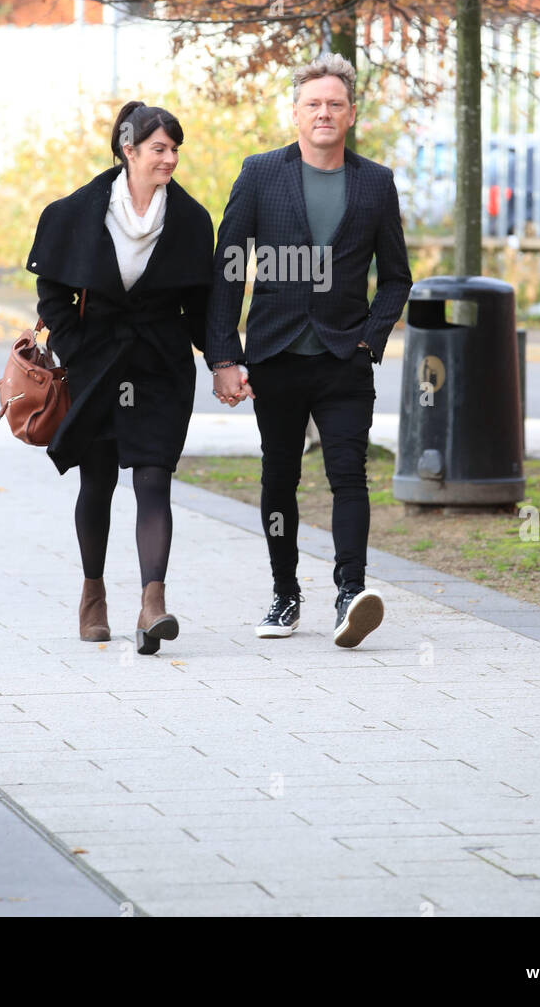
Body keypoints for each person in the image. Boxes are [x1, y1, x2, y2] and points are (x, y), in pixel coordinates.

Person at [205, 54, 413, 648]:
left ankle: (351, 593)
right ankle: (284, 595)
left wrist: (371, 339)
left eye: (335, 104)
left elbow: (396, 276)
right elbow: (227, 273)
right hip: (274, 357)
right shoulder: (260, 173)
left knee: (349, 474)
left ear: (351, 114)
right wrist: (224, 358)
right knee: (280, 477)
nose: (325, 112)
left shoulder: (376, 182)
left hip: (344, 358)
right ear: (295, 112)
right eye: (313, 104)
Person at [25, 102, 213, 654]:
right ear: (128, 150)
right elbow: (52, 294)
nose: (170, 159)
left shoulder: (192, 219)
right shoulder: (78, 211)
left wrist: (224, 360)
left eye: (175, 149)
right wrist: (77, 350)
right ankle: (93, 595)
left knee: (154, 478)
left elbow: (205, 305)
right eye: (159, 148)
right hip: (97, 363)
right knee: (99, 480)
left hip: (160, 365)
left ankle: (153, 602)